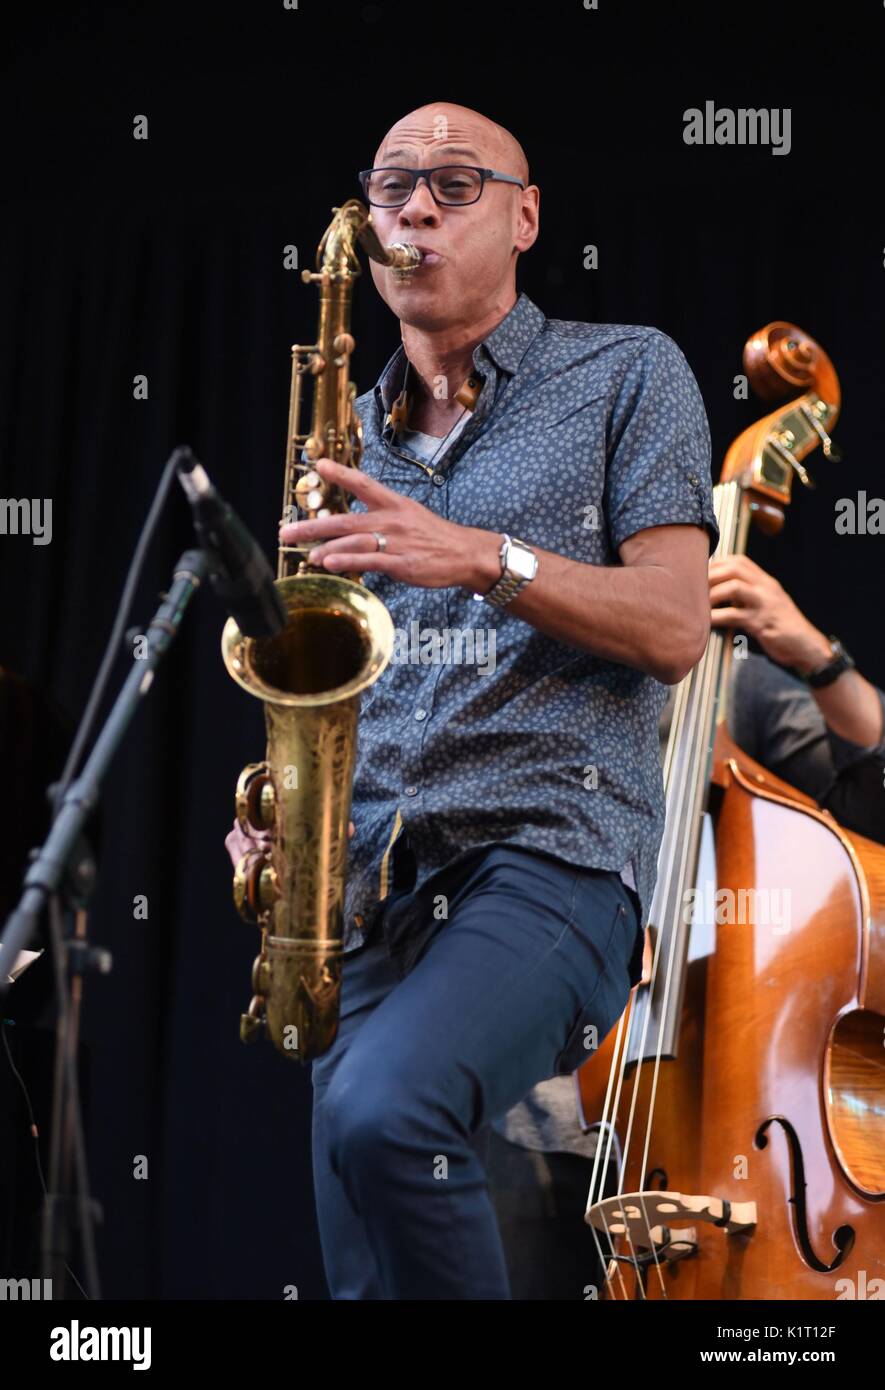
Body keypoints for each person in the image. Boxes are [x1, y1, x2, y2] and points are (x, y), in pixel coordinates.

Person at [227, 100, 719, 1300]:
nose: (413, 210)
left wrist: (482, 554)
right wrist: (280, 813)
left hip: (549, 857)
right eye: (392, 186)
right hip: (365, 884)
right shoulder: (340, 436)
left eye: (454, 184)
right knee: (362, 1255)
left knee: (389, 1116)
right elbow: (326, 676)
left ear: (526, 215)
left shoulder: (628, 370)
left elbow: (672, 625)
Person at [485, 552, 885, 1299]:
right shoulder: (503, 687)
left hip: (718, 1131)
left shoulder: (733, 688)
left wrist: (817, 657)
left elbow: (876, 802)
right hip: (531, 1119)